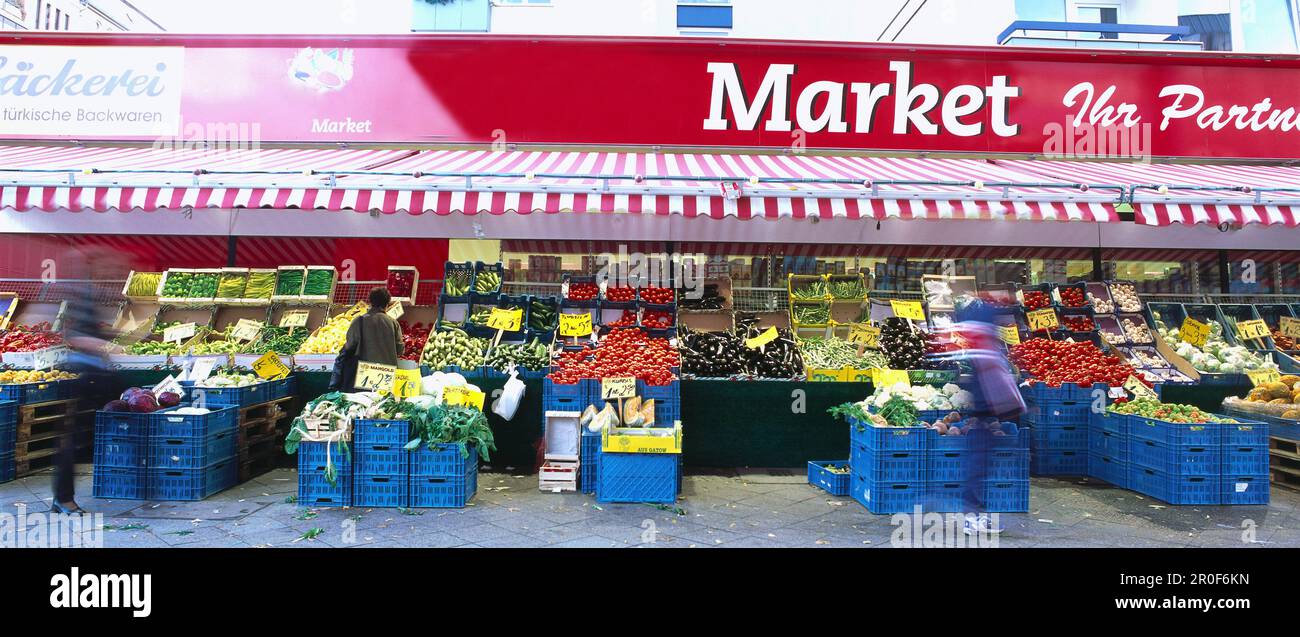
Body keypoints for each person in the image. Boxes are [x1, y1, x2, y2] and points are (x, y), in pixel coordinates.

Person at [938, 297, 1026, 537]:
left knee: (981, 465)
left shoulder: (982, 341)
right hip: (984, 414)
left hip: (985, 414)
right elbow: (985, 381)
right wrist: (986, 413)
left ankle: (978, 512)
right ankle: (970, 516)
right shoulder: (983, 344)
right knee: (977, 465)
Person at [55, 246, 125, 515]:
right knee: (74, 439)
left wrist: (118, 337)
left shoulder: (91, 294)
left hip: (96, 373)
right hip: (84, 375)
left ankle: (63, 497)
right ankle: (64, 499)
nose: (113, 274)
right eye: (111, 267)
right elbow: (73, 335)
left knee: (81, 437)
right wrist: (108, 346)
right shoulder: (79, 292)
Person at [331, 287, 403, 392]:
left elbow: (350, 345)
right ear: (387, 303)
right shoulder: (393, 323)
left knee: (364, 402)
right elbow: (400, 349)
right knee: (384, 404)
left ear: (370, 302)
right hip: (387, 373)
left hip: (364, 373)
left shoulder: (359, 321)